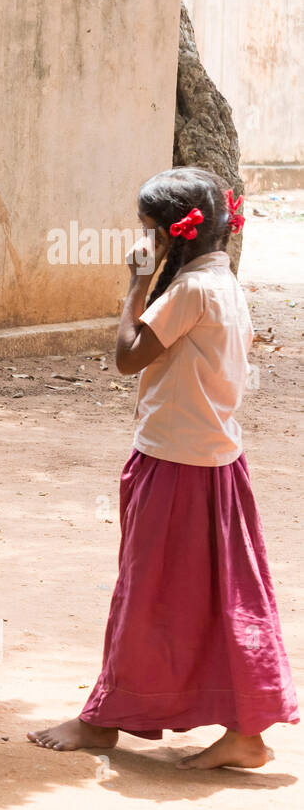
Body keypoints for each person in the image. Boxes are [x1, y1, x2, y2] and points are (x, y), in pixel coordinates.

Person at [29, 167, 298, 767]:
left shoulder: (188, 292)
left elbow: (128, 357)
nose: (141, 240)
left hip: (173, 464)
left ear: (171, 237)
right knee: (221, 597)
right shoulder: (225, 284)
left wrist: (136, 282)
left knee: (144, 593)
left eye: (146, 230)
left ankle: (104, 721)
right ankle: (245, 730)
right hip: (219, 465)